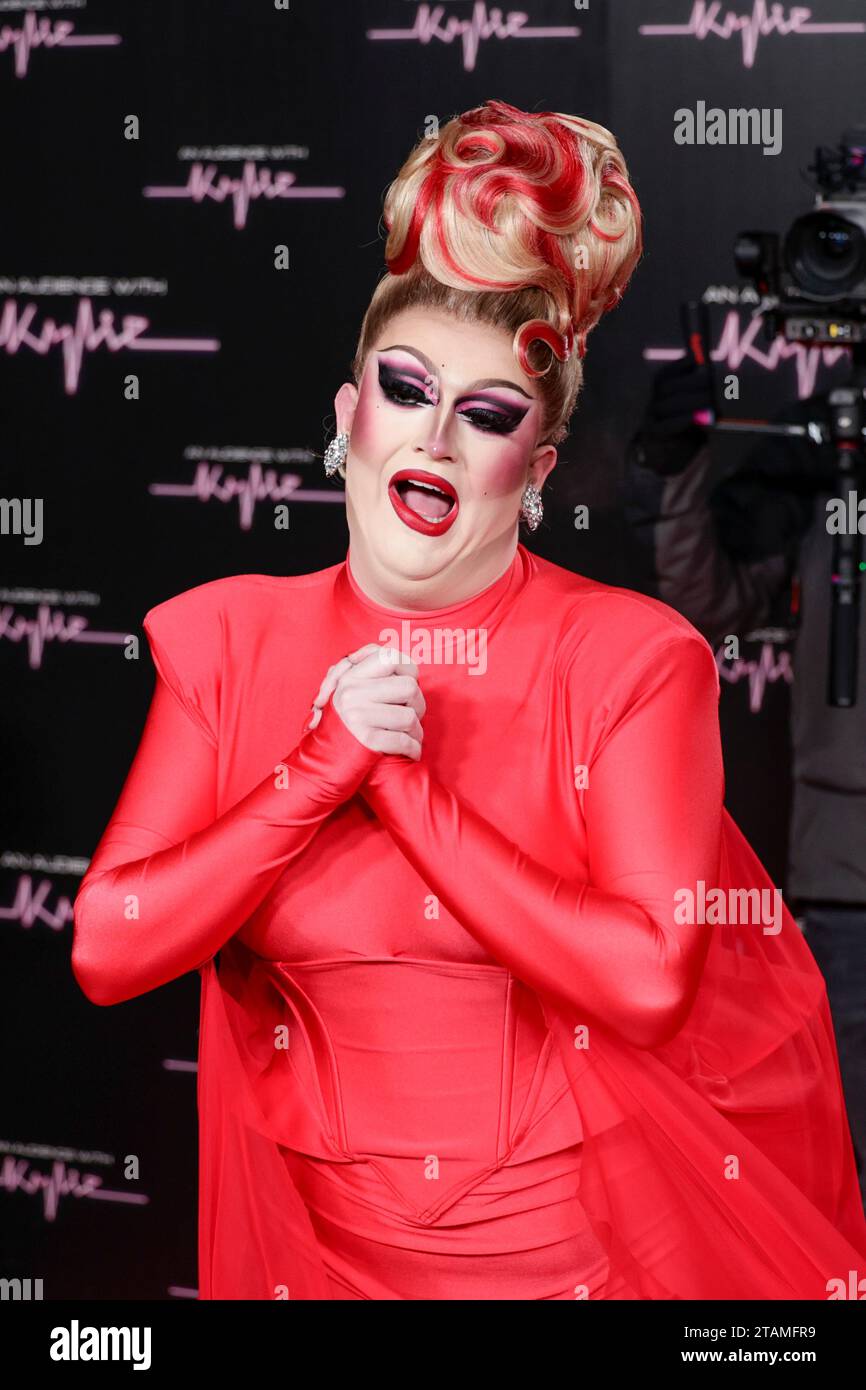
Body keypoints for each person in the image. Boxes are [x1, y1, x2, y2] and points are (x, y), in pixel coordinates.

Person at [71, 99, 866, 1300]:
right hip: (318, 1267)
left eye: (487, 412)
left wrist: (403, 788)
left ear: (535, 467)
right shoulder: (229, 638)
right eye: (405, 387)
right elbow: (105, 947)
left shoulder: (630, 659)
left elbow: (648, 983)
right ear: (348, 420)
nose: (435, 435)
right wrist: (317, 769)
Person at [624, 360, 866, 1210]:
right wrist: (680, 470)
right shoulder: (826, 440)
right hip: (849, 891)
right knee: (844, 1182)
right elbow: (704, 598)